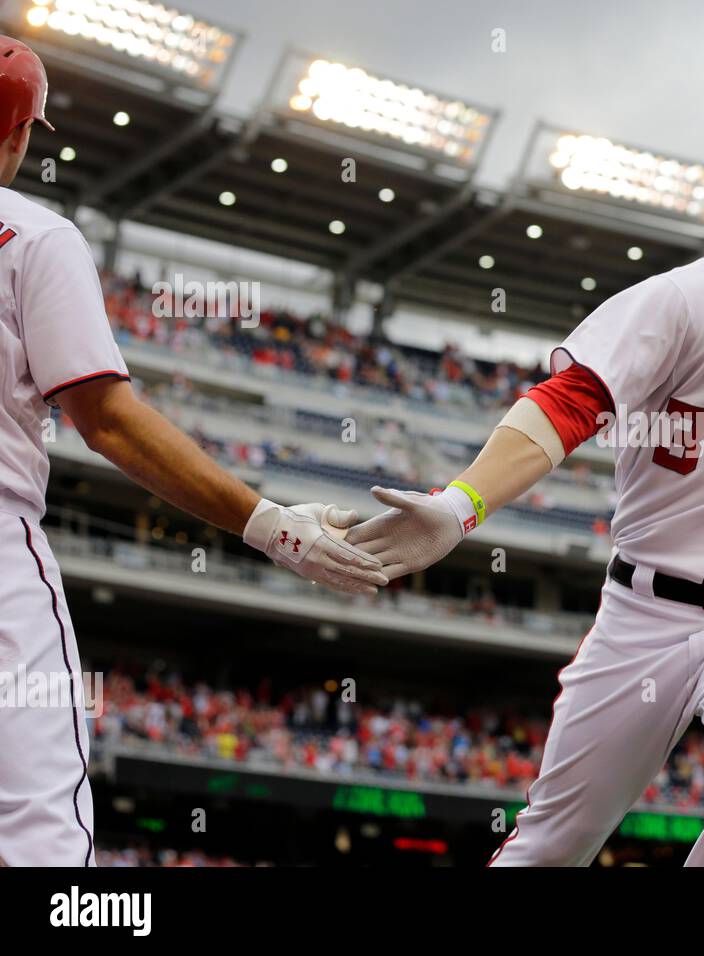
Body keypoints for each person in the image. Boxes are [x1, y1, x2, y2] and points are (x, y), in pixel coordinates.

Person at [348, 108, 704, 866]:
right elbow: (569, 403)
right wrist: (460, 503)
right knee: (552, 846)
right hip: (645, 610)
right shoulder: (681, 298)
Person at [0, 36, 386, 867]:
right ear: (17, 136)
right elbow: (108, 421)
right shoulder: (29, 235)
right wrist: (269, 521)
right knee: (38, 837)